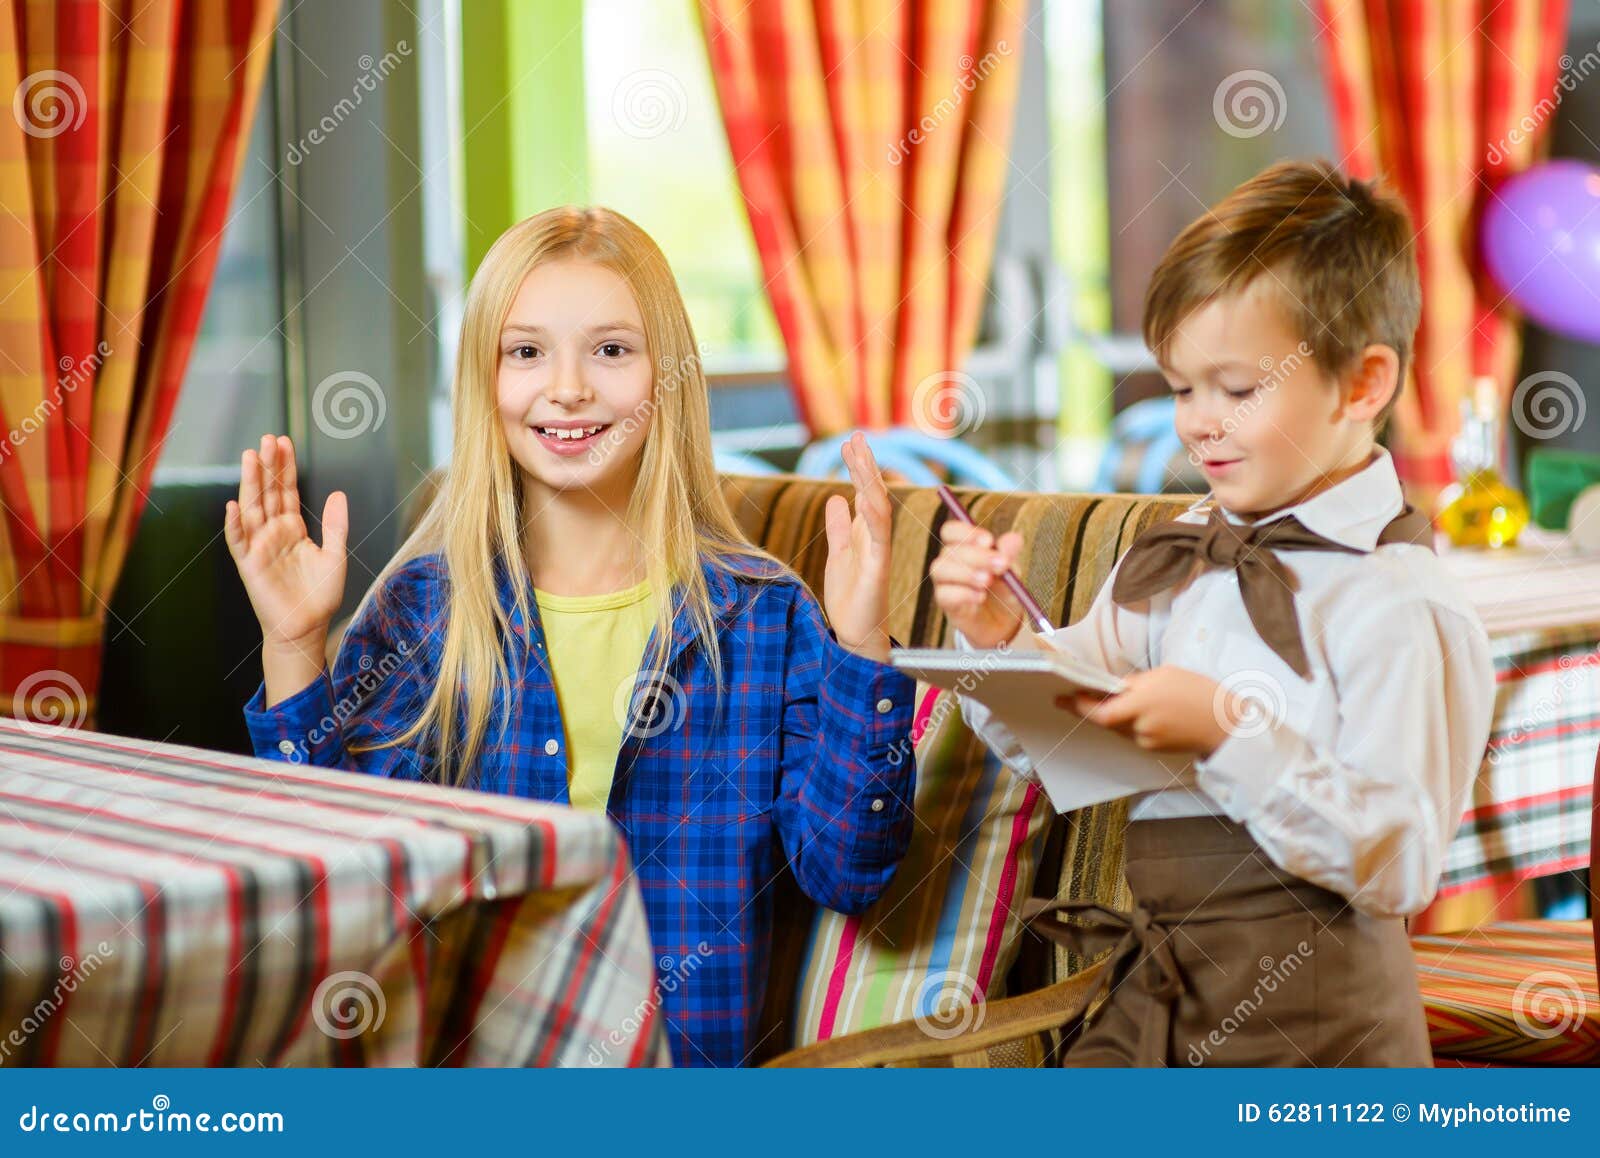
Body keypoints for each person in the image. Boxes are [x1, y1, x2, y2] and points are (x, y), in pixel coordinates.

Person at [225, 206, 917, 1068]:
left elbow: (849, 872)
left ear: (669, 377)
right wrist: (293, 645)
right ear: (485, 382)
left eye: (612, 350)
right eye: (526, 352)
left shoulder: (764, 614)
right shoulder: (426, 608)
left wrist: (862, 646)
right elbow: (331, 877)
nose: (569, 388)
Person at [929, 159, 1495, 1066]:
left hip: (1324, 1029)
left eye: (1237, 390)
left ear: (1362, 385)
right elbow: (1069, 739)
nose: (1197, 421)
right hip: (1164, 991)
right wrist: (1000, 639)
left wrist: (1228, 734)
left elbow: (1400, 864)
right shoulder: (1176, 550)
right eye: (1182, 386)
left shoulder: (1399, 601)